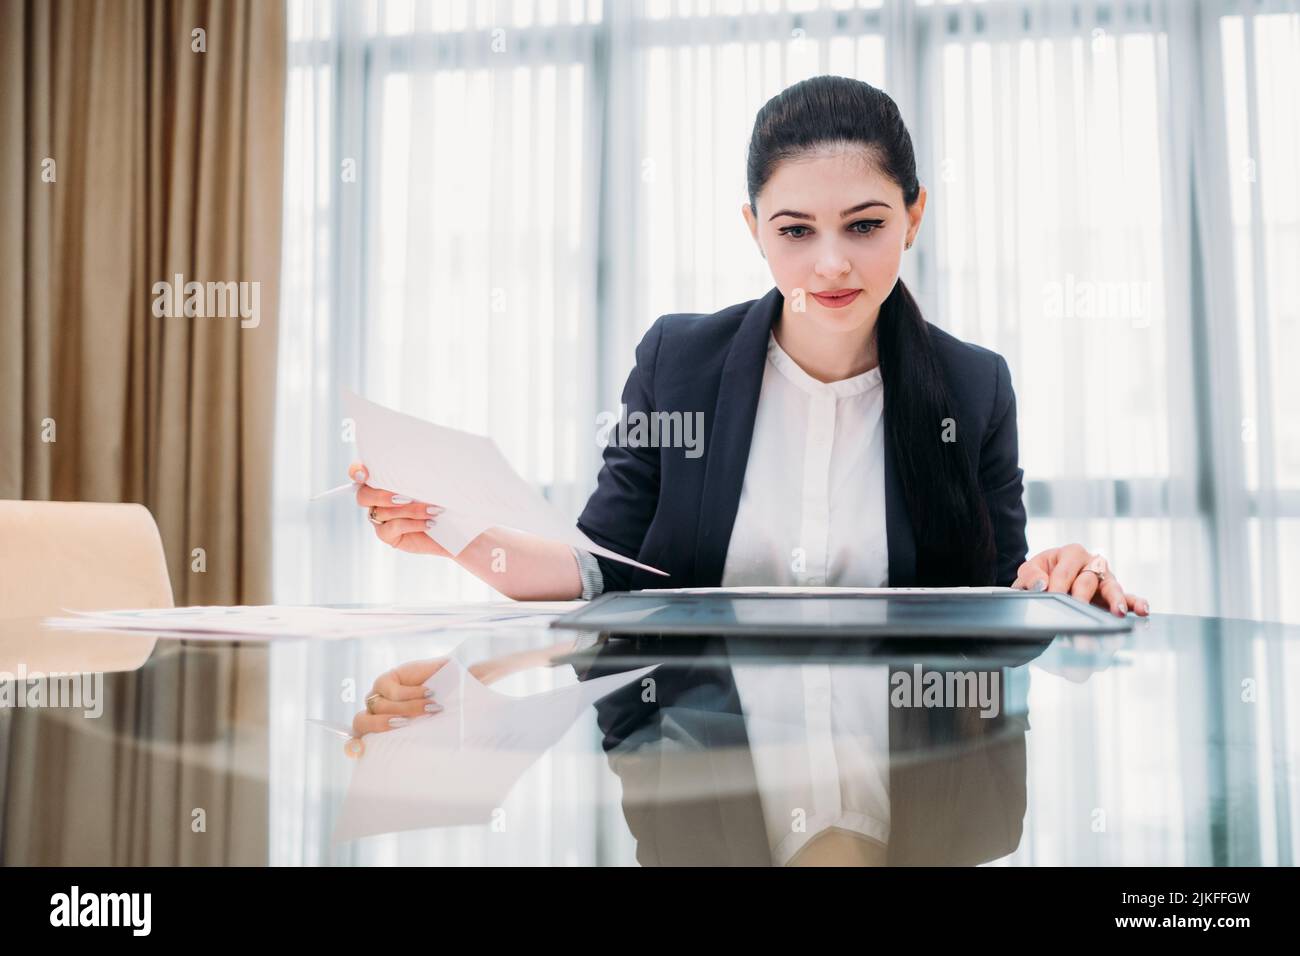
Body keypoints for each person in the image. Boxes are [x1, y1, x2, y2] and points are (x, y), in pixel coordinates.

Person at [347, 75, 1149, 739]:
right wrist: (455, 535)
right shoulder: (680, 363)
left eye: (865, 225)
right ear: (753, 229)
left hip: (912, 771)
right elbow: (599, 569)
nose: (830, 264)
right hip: (702, 758)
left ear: (914, 215)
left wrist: (1054, 581)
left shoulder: (975, 388)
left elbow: (994, 602)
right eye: (795, 230)